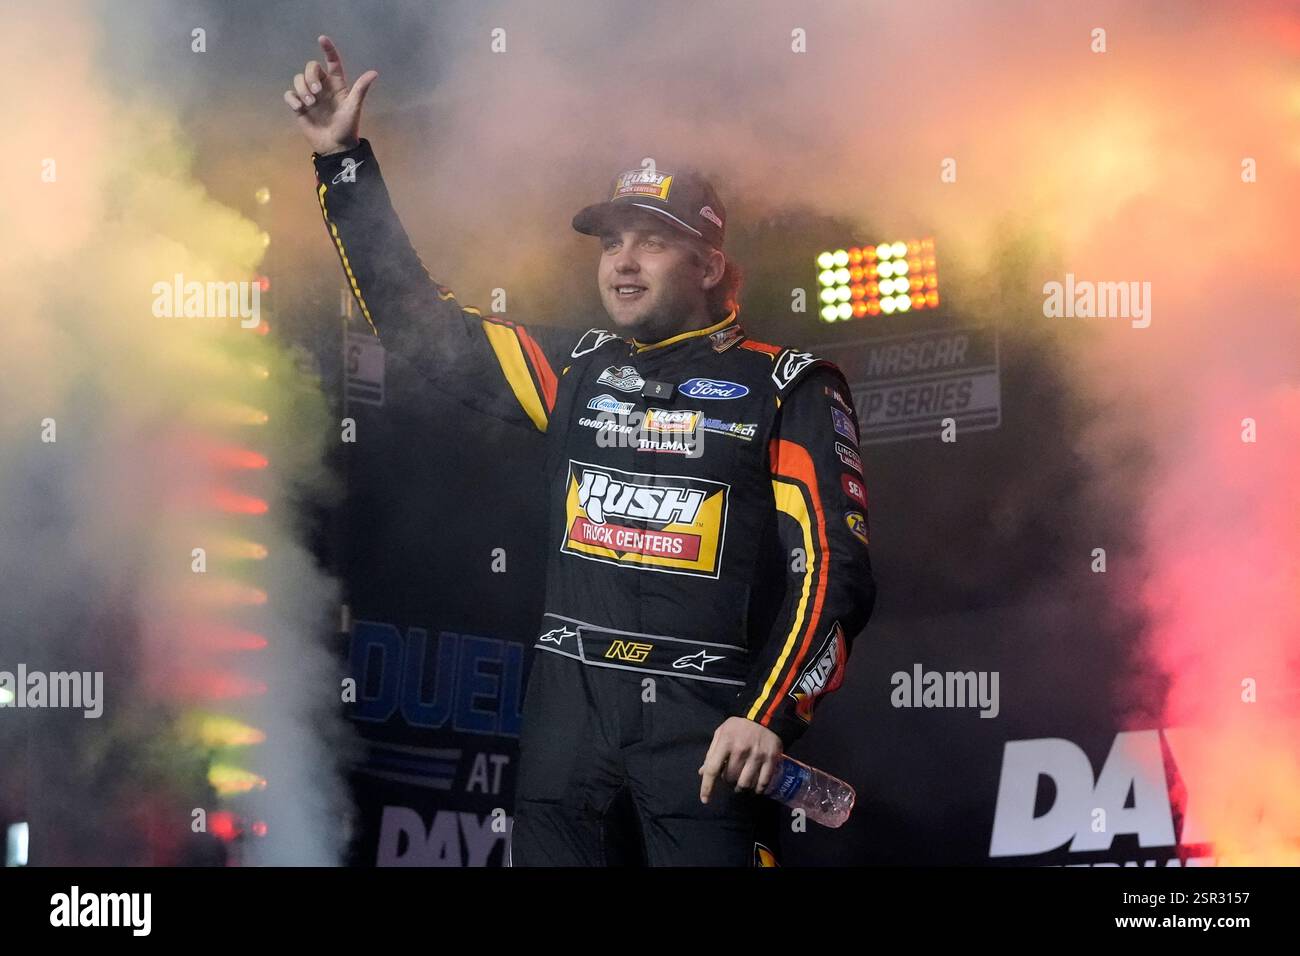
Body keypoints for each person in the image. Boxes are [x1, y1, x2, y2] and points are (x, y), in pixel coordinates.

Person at [286, 36, 876, 866]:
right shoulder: (574, 368)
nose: (624, 261)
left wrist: (768, 715)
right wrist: (341, 160)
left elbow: (832, 573)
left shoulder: (786, 386)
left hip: (707, 738)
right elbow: (418, 321)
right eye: (610, 242)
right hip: (567, 731)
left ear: (710, 263)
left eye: (652, 240)